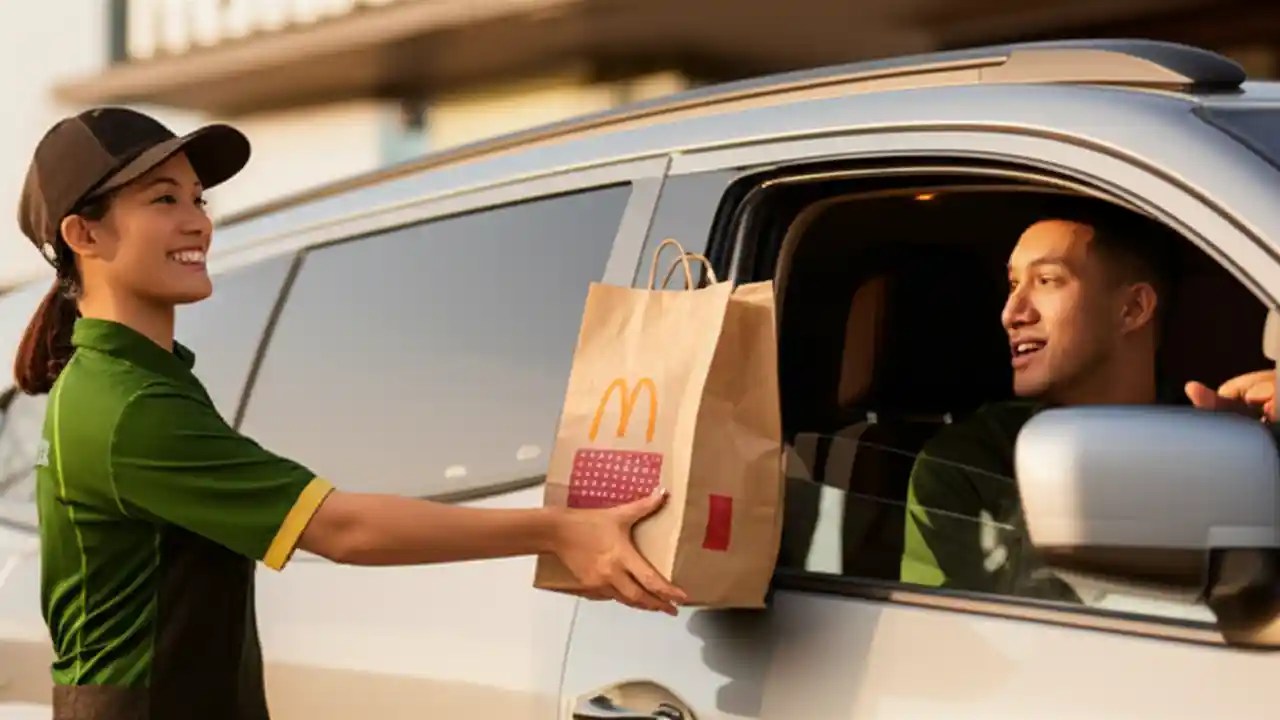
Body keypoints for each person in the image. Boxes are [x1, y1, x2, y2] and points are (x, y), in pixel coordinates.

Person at [17, 108, 686, 720]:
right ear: (84, 233)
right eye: (163, 200)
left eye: (198, 198)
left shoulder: (124, 382)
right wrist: (559, 530)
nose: (198, 221)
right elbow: (345, 529)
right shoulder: (128, 405)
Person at [900, 199, 1192, 600]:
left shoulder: (1225, 448)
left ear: (1133, 308)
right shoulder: (968, 462)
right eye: (1013, 285)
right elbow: (950, 641)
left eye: (1047, 281)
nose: (1011, 313)